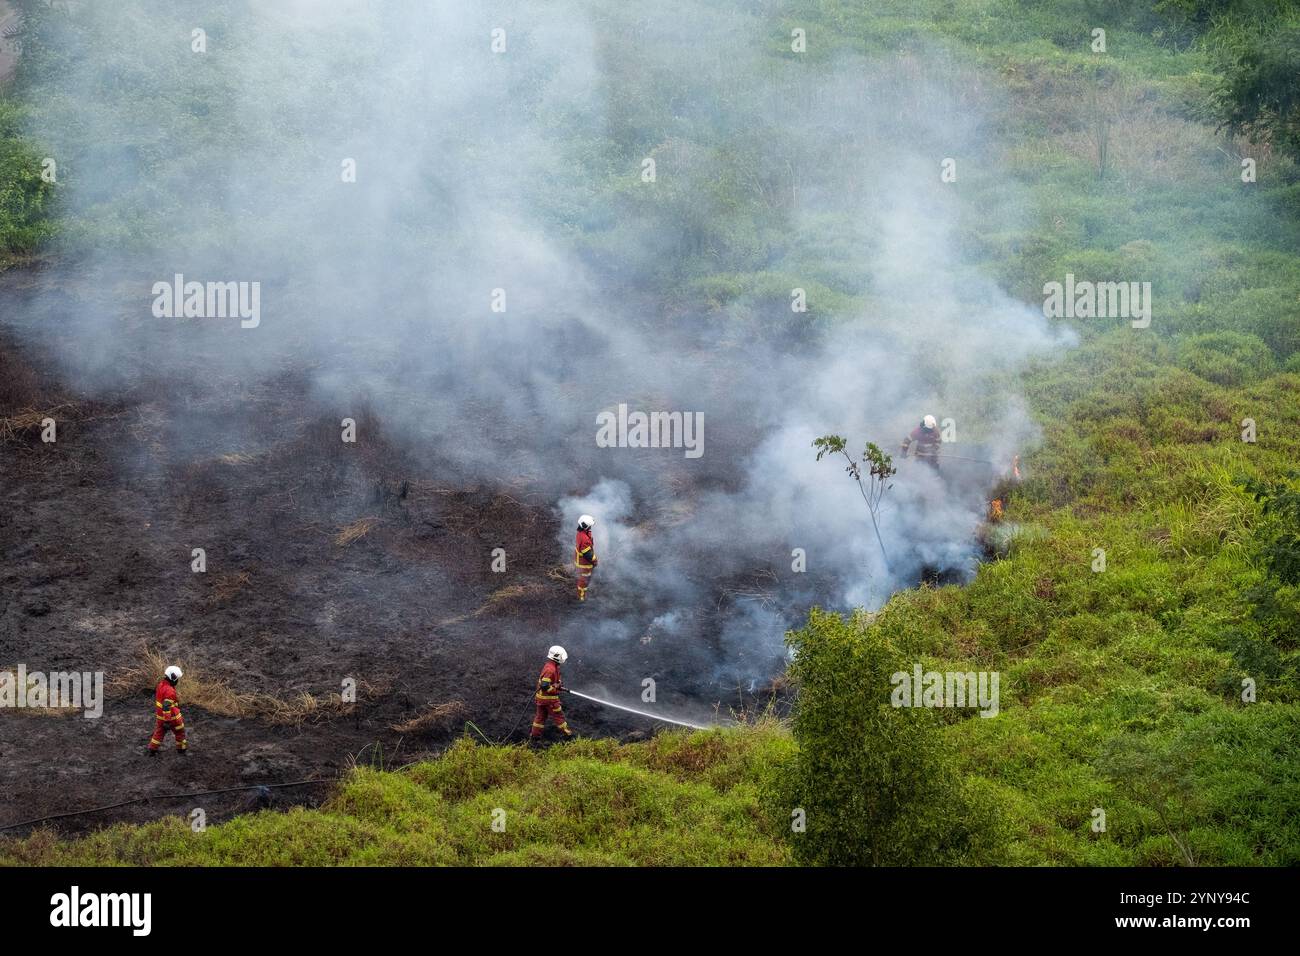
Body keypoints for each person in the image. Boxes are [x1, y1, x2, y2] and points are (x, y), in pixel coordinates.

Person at [529, 645, 574, 744]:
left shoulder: (551, 665)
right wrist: (555, 688)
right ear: (557, 656)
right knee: (559, 717)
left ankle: (534, 738)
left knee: (540, 718)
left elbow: (549, 683)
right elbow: (545, 686)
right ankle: (569, 736)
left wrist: (557, 684)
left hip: (541, 700)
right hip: (550, 700)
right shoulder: (551, 669)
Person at [148, 665, 187, 755]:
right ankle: (182, 751)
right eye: (177, 679)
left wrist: (164, 721)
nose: (178, 681)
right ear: (173, 678)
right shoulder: (170, 691)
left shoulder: (160, 685)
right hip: (172, 719)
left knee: (159, 733)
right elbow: (166, 706)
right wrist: (167, 721)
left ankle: (152, 750)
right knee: (180, 733)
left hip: (160, 717)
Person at [574, 514, 597, 601]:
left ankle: (582, 592)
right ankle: (581, 597)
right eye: (590, 526)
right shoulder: (584, 539)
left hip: (580, 560)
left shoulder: (580, 533)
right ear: (586, 526)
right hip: (584, 563)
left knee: (583, 577)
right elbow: (588, 554)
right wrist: (595, 561)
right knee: (584, 579)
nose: (591, 527)